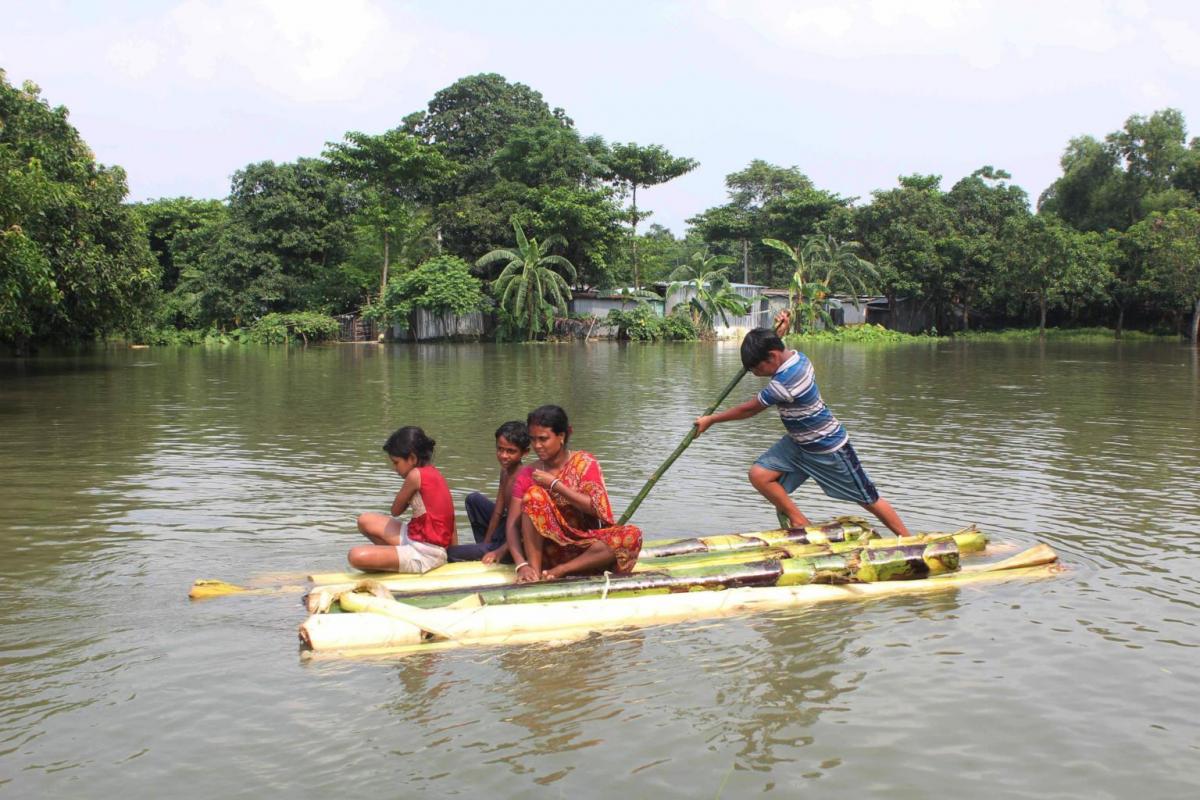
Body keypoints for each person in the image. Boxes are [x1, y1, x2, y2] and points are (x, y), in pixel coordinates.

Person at [694, 310, 911, 537]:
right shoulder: (799, 358)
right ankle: (800, 521)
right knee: (759, 475)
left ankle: (908, 540)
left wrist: (712, 419)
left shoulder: (785, 382)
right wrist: (780, 333)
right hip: (799, 444)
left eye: (756, 369)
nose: (756, 374)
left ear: (772, 357)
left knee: (868, 499)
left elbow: (749, 409)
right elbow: (779, 352)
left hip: (828, 448)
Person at [506, 405, 642, 583]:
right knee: (534, 495)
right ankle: (535, 573)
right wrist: (521, 565)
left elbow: (596, 508)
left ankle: (562, 570)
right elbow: (512, 526)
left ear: (561, 436)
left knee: (632, 534)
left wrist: (555, 485)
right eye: (533, 439)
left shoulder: (584, 463)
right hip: (547, 552)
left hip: (587, 551)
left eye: (543, 439)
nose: (537, 445)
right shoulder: (528, 473)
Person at [349, 426, 456, 572]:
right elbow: (451, 521)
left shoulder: (415, 475)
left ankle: (393, 564)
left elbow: (395, 510)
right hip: (415, 537)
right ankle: (393, 560)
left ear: (412, 458)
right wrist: (454, 552)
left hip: (426, 554)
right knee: (364, 520)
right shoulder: (435, 473)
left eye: (396, 462)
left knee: (355, 556)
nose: (395, 469)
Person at [445, 421, 530, 563]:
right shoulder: (505, 472)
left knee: (451, 552)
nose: (503, 455)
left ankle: (489, 551)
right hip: (504, 527)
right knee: (473, 499)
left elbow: (524, 530)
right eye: (500, 449)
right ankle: (484, 548)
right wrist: (486, 541)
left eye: (511, 451)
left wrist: (499, 551)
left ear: (525, 452)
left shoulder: (524, 479)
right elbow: (497, 512)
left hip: (513, 541)